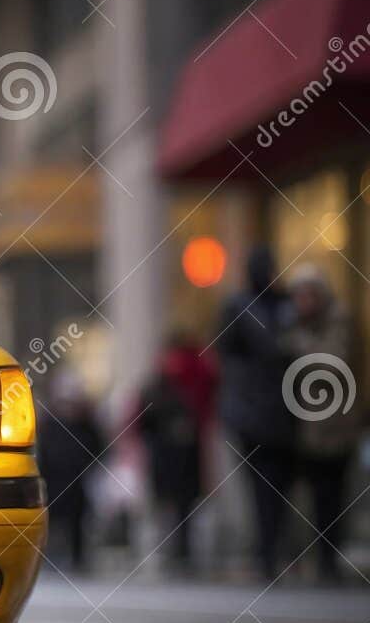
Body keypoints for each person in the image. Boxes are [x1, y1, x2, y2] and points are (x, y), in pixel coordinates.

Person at [217, 246, 296, 581]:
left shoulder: (284, 306)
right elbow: (226, 355)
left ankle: (276, 547)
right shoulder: (238, 307)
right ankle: (267, 552)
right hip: (252, 415)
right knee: (261, 487)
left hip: (284, 411)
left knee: (281, 485)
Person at [281, 266, 361, 582]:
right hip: (306, 429)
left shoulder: (338, 319)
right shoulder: (298, 324)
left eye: (307, 295)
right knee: (308, 497)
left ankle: (329, 558)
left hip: (336, 427)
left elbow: (331, 362)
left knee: (334, 495)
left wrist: (299, 348)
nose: (302, 302)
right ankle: (311, 557)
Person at [136, 333, 217, 571]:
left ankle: (182, 551)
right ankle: (170, 551)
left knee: (184, 508)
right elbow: (143, 424)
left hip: (184, 459)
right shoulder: (156, 388)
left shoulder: (192, 384)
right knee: (168, 507)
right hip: (165, 458)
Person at [36, 367, 104, 572]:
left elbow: (97, 447)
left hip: (77, 479)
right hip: (54, 479)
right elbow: (44, 449)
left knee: (77, 519)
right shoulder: (50, 422)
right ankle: (51, 556)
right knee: (53, 519)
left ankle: (78, 556)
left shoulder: (86, 422)